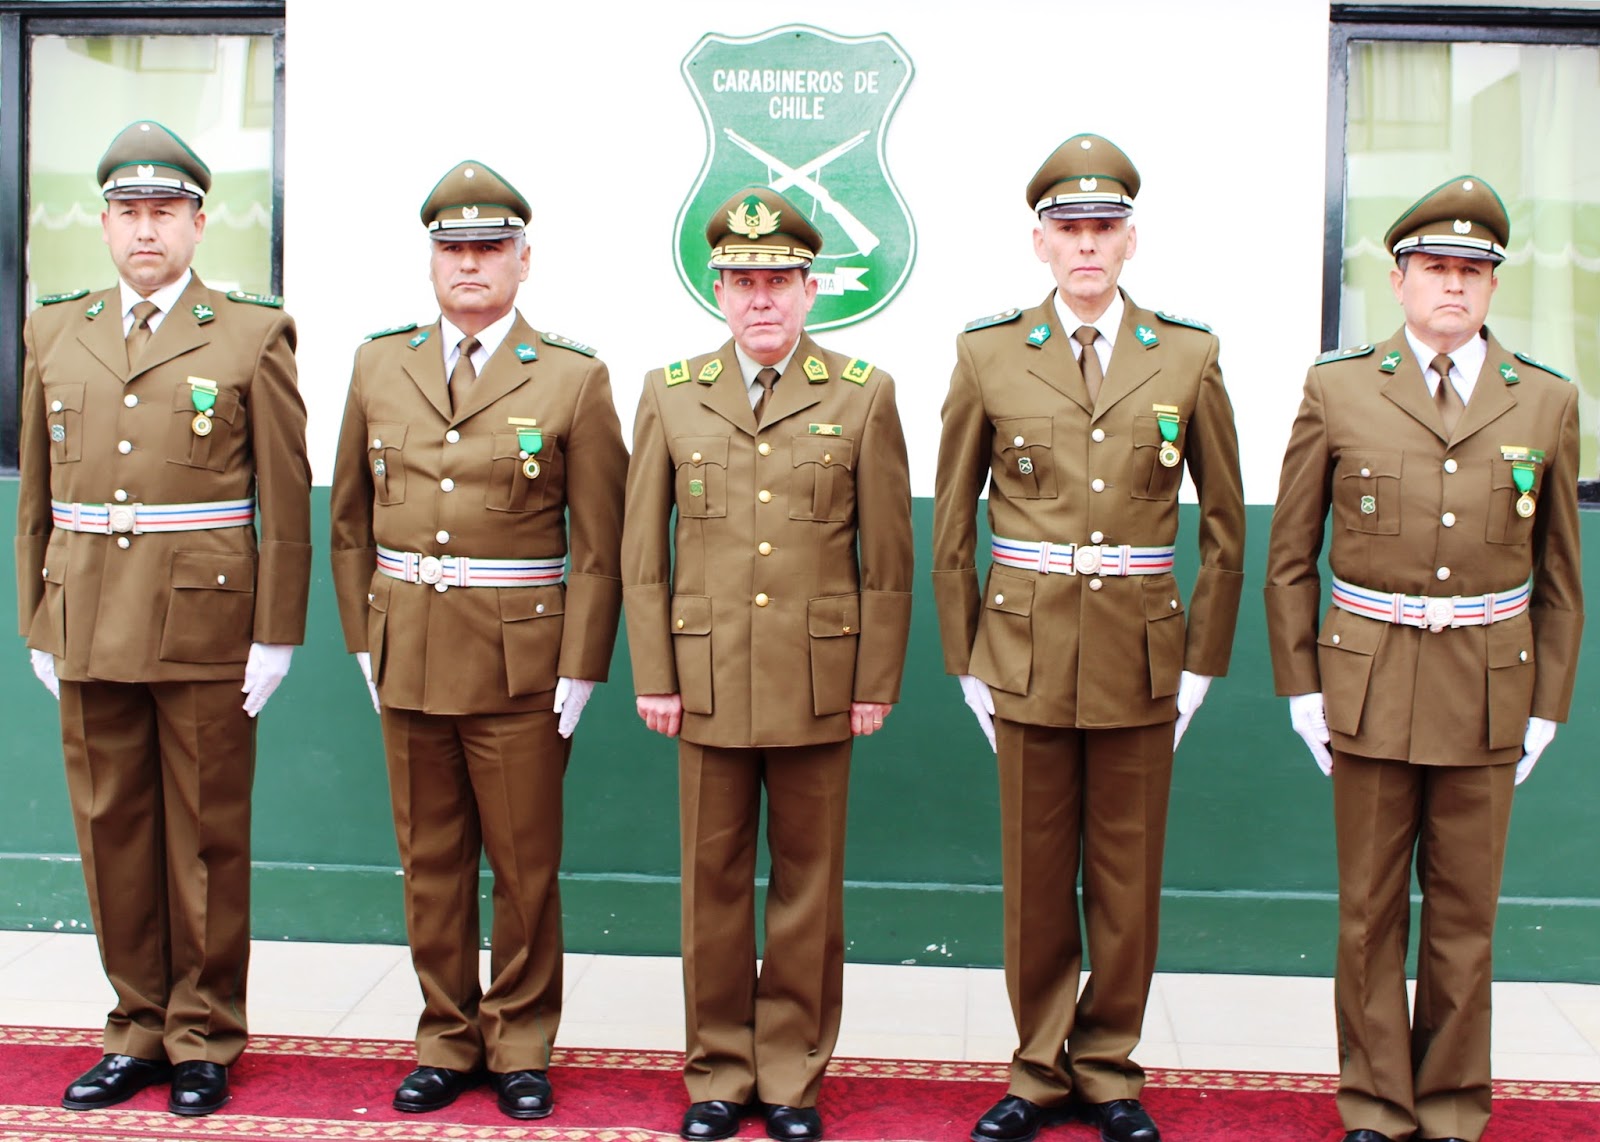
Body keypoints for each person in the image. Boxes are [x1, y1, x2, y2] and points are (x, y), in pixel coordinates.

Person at [933, 134, 1245, 1142]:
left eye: (1103, 227)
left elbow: (1227, 524)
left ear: (1130, 239)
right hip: (1021, 649)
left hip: (1139, 652)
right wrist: (964, 655)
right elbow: (949, 521)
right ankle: (1036, 1065)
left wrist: (1202, 659)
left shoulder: (1185, 354)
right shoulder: (987, 353)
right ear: (1039, 242)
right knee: (1032, 873)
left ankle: (1107, 1064)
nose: (1085, 246)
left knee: (1125, 873)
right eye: (1068, 228)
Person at [1265, 176, 1582, 1142]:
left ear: (1492, 286)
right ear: (1399, 279)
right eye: (1435, 269)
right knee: (1366, 913)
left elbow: (1561, 573)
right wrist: (1301, 689)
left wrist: (1548, 705)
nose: (1454, 287)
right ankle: (1374, 1101)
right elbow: (1290, 557)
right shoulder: (1341, 387)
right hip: (1364, 684)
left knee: (1463, 917)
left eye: (1472, 272)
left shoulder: (1546, 402)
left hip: (1490, 688)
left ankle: (1446, 1104)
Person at [14, 119, 310, 1117]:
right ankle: (137, 1023)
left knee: (205, 837)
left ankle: (204, 1033)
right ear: (103, 224)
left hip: (205, 624)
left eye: (165, 213)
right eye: (130, 213)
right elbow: (39, 492)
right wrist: (37, 616)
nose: (147, 232)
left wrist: (278, 629)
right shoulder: (55, 328)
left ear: (197, 222)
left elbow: (283, 490)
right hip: (87, 611)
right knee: (111, 829)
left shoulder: (249, 331)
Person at [328, 160, 626, 1122]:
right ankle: (447, 1036)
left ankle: (523, 1041)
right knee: (432, 861)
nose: (469, 264)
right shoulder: (380, 364)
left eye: (488, 248)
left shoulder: (574, 378)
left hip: (519, 665)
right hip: (407, 646)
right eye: (452, 249)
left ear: (523, 260)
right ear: (430, 262)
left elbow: (600, 547)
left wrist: (582, 665)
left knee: (525, 865)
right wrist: (361, 639)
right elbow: (347, 520)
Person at [622, 185, 913, 1142]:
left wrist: (874, 682)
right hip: (703, 680)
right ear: (718, 289)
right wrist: (654, 674)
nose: (761, 299)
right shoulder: (669, 391)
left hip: (817, 682)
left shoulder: (864, 394)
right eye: (743, 280)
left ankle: (789, 1075)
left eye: (779, 281)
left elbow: (887, 558)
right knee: (709, 888)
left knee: (806, 889)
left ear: (811, 289)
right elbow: (641, 554)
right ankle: (716, 1072)